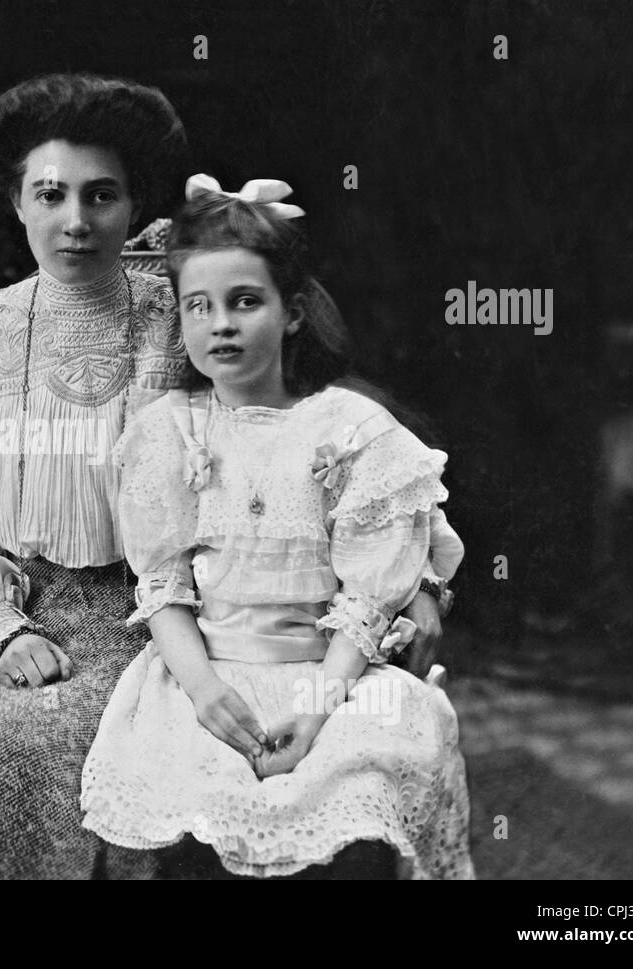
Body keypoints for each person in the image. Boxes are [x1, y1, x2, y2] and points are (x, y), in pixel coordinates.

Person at [0, 74, 446, 880]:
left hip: (186, 613)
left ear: (132, 202)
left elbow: (316, 439)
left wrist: (419, 580)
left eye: (100, 195)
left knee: (186, 762)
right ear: (18, 203)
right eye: (50, 194)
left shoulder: (184, 315)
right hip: (19, 611)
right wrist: (0, 626)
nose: (75, 221)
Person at [78, 175, 473, 879]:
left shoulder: (349, 432)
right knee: (194, 829)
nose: (221, 324)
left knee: (356, 810)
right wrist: (202, 690)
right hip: (205, 675)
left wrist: (317, 709)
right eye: (200, 306)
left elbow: (367, 599)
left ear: (291, 313)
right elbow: (161, 584)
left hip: (330, 677)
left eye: (245, 302)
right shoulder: (167, 432)